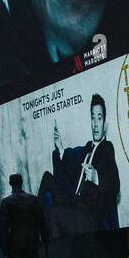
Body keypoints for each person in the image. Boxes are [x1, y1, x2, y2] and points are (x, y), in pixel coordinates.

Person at [42, 95, 121, 234]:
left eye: (99, 118)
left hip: (88, 214)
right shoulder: (87, 148)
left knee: (54, 213)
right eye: (93, 118)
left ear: (104, 123)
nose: (95, 124)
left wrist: (96, 177)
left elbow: (114, 181)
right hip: (74, 201)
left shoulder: (107, 148)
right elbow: (71, 155)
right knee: (47, 177)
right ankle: (36, 221)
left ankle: (44, 234)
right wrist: (60, 147)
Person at [0, 173, 53, 258]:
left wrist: (5, 251)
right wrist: (45, 237)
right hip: (32, 242)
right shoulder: (33, 200)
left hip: (16, 245)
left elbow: (3, 229)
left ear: (10, 184)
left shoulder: (7, 202)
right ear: (21, 182)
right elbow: (42, 221)